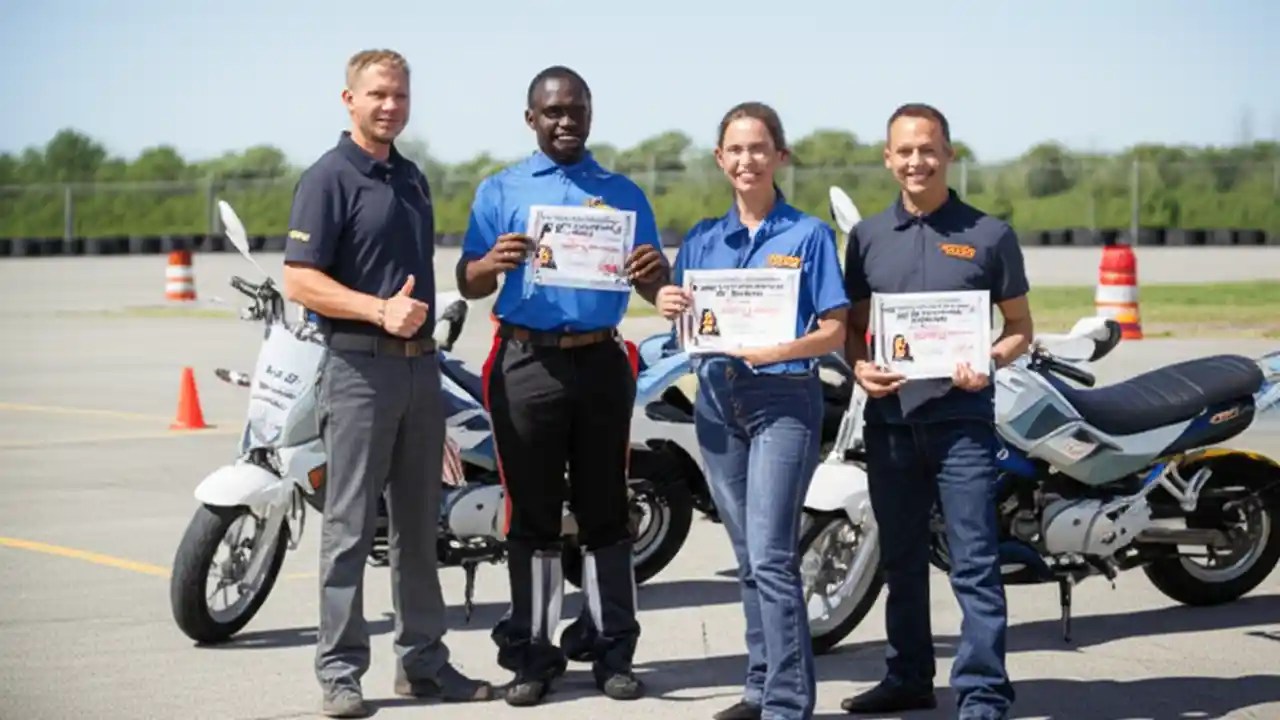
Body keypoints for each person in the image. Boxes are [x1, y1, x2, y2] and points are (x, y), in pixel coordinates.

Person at [281, 48, 495, 718]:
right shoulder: (328, 179)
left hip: (418, 369)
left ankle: (423, 664)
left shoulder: (412, 179)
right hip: (357, 370)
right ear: (348, 100)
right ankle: (341, 672)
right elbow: (300, 278)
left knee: (417, 526)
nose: (390, 106)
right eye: (377, 95)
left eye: (400, 96)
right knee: (349, 527)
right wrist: (378, 310)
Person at [454, 64, 669, 707]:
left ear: (591, 114)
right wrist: (489, 264)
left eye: (576, 109)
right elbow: (469, 280)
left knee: (606, 510)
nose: (566, 121)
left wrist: (657, 273)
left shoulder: (622, 192)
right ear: (531, 119)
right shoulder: (501, 189)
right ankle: (535, 654)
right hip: (528, 364)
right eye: (553, 112)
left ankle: (612, 650)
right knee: (536, 516)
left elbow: (655, 288)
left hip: (601, 363)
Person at [838, 103, 1033, 720]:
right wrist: (859, 367)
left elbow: (1021, 328)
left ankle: (981, 691)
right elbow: (854, 330)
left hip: (962, 425)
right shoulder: (867, 238)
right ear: (888, 157)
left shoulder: (990, 235)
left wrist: (990, 360)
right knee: (900, 560)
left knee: (974, 562)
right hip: (891, 424)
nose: (917, 161)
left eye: (929, 149)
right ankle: (909, 678)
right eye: (905, 151)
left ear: (949, 154)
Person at [656, 101, 849, 720]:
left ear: (780, 157)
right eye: (734, 150)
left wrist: (777, 351)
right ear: (720, 159)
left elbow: (834, 331)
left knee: (772, 555)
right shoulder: (703, 240)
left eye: (758, 148)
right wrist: (667, 302)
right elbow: (685, 330)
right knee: (747, 556)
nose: (746, 160)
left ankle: (789, 702)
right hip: (716, 403)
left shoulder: (808, 235)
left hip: (783, 402)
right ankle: (759, 684)